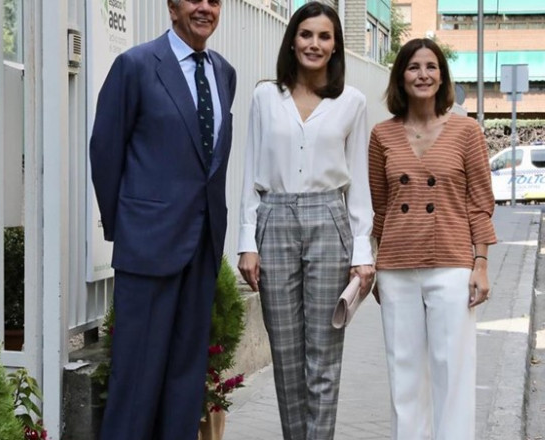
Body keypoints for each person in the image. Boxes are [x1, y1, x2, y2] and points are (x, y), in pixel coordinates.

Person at [89, 0, 236, 438]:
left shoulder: (223, 72)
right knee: (135, 382)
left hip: (202, 247)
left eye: (214, 1)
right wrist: (127, 229)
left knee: (185, 384)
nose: (205, 8)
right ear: (172, 7)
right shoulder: (135, 65)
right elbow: (105, 152)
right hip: (147, 248)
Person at [236, 2, 375, 439]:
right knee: (287, 356)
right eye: (306, 34)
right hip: (274, 218)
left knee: (324, 355)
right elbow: (249, 175)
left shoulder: (352, 102)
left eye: (324, 36)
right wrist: (247, 242)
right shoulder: (265, 96)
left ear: (335, 46)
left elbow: (359, 187)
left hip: (328, 220)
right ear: (292, 40)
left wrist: (362, 250)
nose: (314, 44)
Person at [368, 38, 497, 440]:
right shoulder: (382, 135)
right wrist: (375, 264)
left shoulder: (466, 131)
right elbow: (380, 208)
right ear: (400, 77)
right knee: (404, 376)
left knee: (453, 373)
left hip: (452, 265)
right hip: (397, 269)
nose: (422, 75)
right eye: (413, 67)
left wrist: (481, 265)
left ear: (442, 76)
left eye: (431, 67)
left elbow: (480, 203)